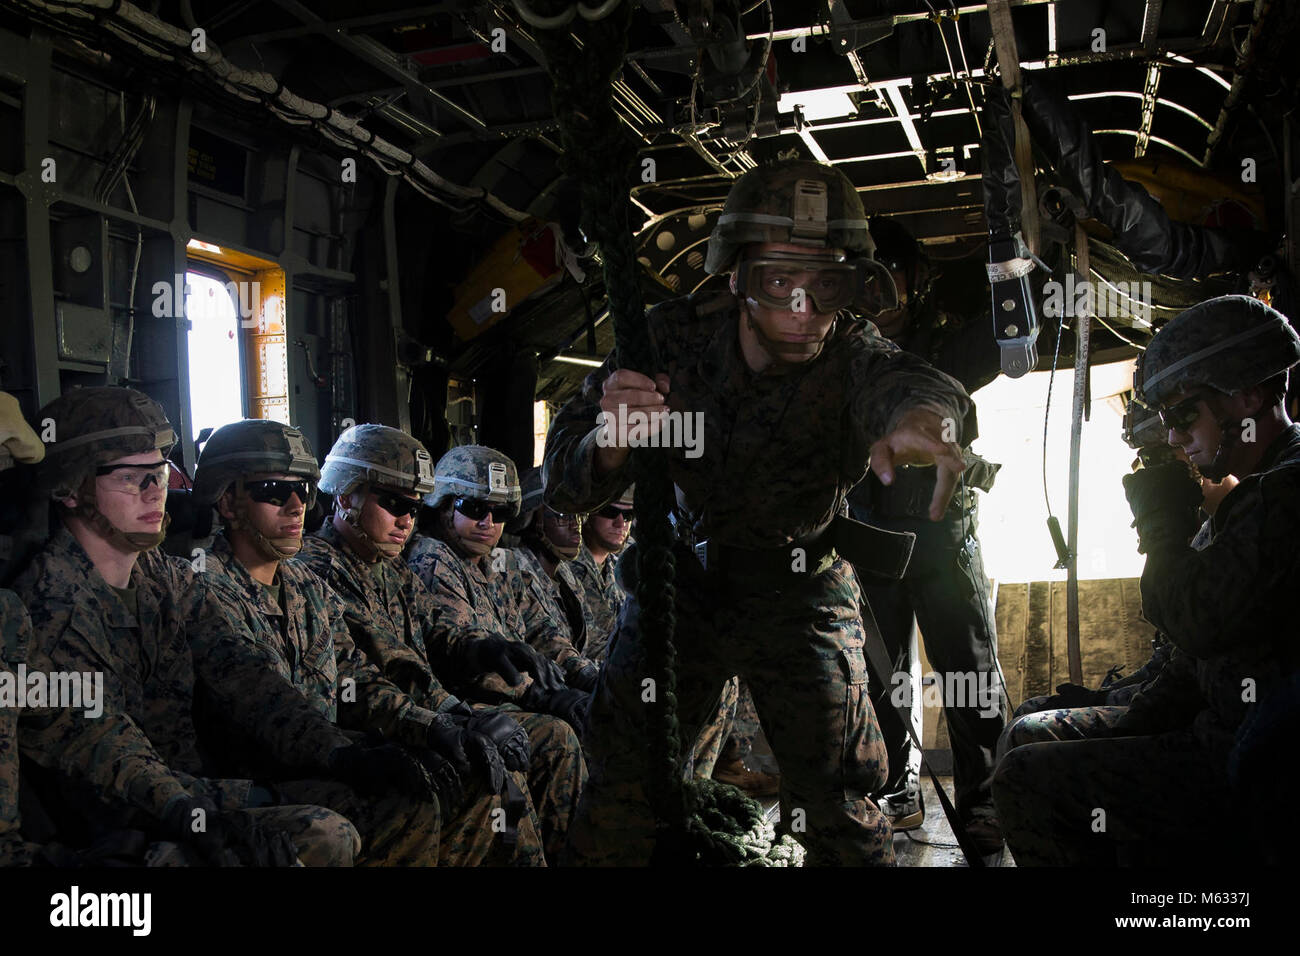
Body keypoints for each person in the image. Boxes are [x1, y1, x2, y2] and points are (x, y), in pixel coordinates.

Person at [544, 157, 971, 865]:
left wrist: (926, 419)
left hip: (801, 589)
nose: (804, 310)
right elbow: (562, 481)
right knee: (622, 785)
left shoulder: (854, 354)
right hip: (682, 584)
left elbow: (914, 386)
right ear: (737, 276)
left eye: (827, 284)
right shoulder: (668, 340)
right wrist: (609, 443)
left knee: (838, 801)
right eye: (779, 281)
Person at [993, 294, 1300, 865]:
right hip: (1217, 725)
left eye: (1186, 415)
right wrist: (1125, 711)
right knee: (1034, 732)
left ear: (1249, 395)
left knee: (1028, 777)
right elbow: (1189, 657)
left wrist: (1162, 530)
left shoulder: (1288, 493)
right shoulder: (1250, 496)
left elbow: (1197, 619)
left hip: (1253, 761)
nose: (1176, 437)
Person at [13, 387, 359, 866]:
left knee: (382, 800)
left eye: (158, 473)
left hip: (187, 795)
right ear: (70, 489)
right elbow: (99, 740)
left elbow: (245, 677)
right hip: (120, 823)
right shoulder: (47, 603)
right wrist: (194, 813)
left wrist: (339, 753)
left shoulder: (169, 579)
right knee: (325, 832)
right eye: (132, 478)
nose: (155, 491)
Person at [190, 418, 545, 865]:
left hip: (328, 760)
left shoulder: (304, 585)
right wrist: (352, 753)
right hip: (258, 778)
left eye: (302, 489)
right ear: (226, 502)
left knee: (473, 780)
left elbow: (357, 676)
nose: (297, 505)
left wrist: (435, 724)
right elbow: (263, 698)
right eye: (273, 491)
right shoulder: (204, 584)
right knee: (409, 802)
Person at [295, 426, 586, 860]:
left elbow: (439, 632)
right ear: (345, 496)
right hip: (370, 732)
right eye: (393, 503)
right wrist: (452, 716)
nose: (406, 519)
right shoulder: (319, 568)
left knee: (513, 759)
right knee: (492, 768)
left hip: (416, 717)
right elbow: (384, 666)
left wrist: (484, 648)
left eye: (413, 506)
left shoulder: (391, 570)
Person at [846, 217, 1006, 847]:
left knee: (966, 670)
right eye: (862, 277)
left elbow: (1006, 337)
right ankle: (895, 786)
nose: (875, 292)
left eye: (889, 274)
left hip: (943, 540)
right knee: (882, 675)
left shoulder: (946, 345)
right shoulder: (843, 356)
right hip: (871, 539)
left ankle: (984, 798)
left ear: (914, 280)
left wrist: (1015, 264)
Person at [503, 467, 600, 685]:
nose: (575, 525)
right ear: (532, 518)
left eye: (579, 515)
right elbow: (545, 641)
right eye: (563, 516)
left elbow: (593, 640)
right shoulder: (513, 570)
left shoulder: (566, 574)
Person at [572, 485, 633, 663]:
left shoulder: (623, 569)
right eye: (610, 512)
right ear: (587, 515)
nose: (621, 523)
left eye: (629, 515)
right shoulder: (562, 567)